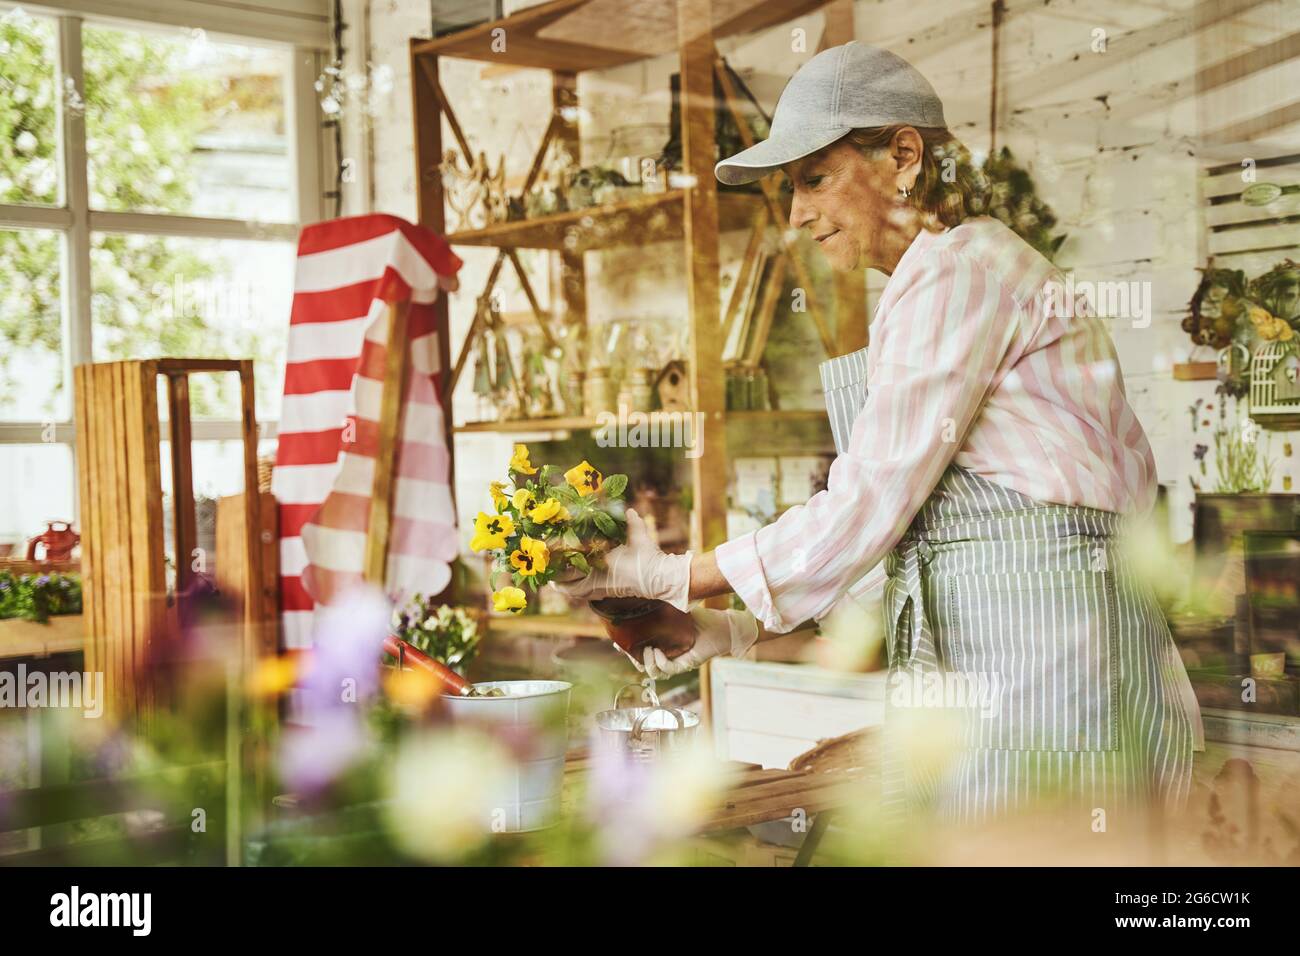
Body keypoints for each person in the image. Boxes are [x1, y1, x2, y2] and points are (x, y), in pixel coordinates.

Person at [560, 41, 1203, 824]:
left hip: (1053, 667)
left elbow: (868, 504)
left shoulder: (962, 270)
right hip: (991, 671)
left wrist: (672, 575)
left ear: (903, 155)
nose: (795, 212)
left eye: (813, 177)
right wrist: (732, 627)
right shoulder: (930, 281)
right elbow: (907, 537)